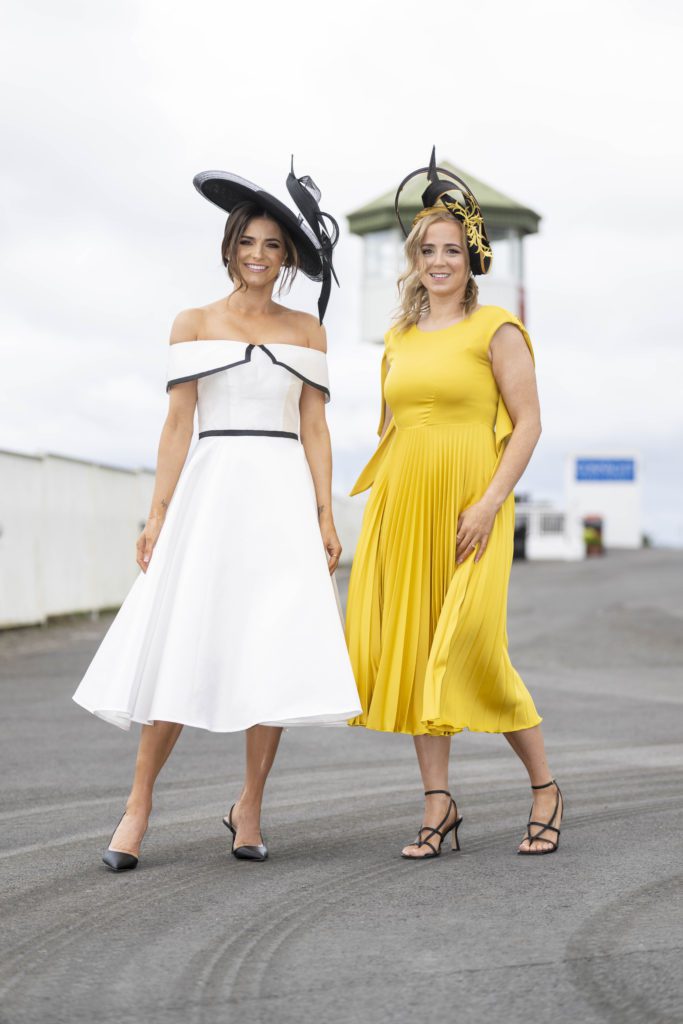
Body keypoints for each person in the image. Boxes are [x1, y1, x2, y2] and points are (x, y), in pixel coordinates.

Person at [73, 160, 361, 870]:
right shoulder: (194, 322)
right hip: (211, 493)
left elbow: (315, 428)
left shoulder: (307, 331)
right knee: (182, 641)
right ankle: (138, 806)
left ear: (287, 257)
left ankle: (250, 806)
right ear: (229, 247)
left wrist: (325, 517)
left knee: (272, 648)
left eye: (273, 245)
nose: (259, 255)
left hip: (281, 495)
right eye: (248, 242)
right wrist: (156, 515)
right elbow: (178, 425)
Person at [345, 148, 563, 858]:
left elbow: (527, 423)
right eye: (427, 251)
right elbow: (391, 429)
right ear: (413, 260)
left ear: (472, 257)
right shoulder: (397, 338)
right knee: (416, 650)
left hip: (474, 505)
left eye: (451, 250)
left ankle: (544, 788)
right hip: (405, 507)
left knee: (472, 647)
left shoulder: (495, 327)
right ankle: (437, 804)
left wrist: (490, 500)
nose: (438, 262)